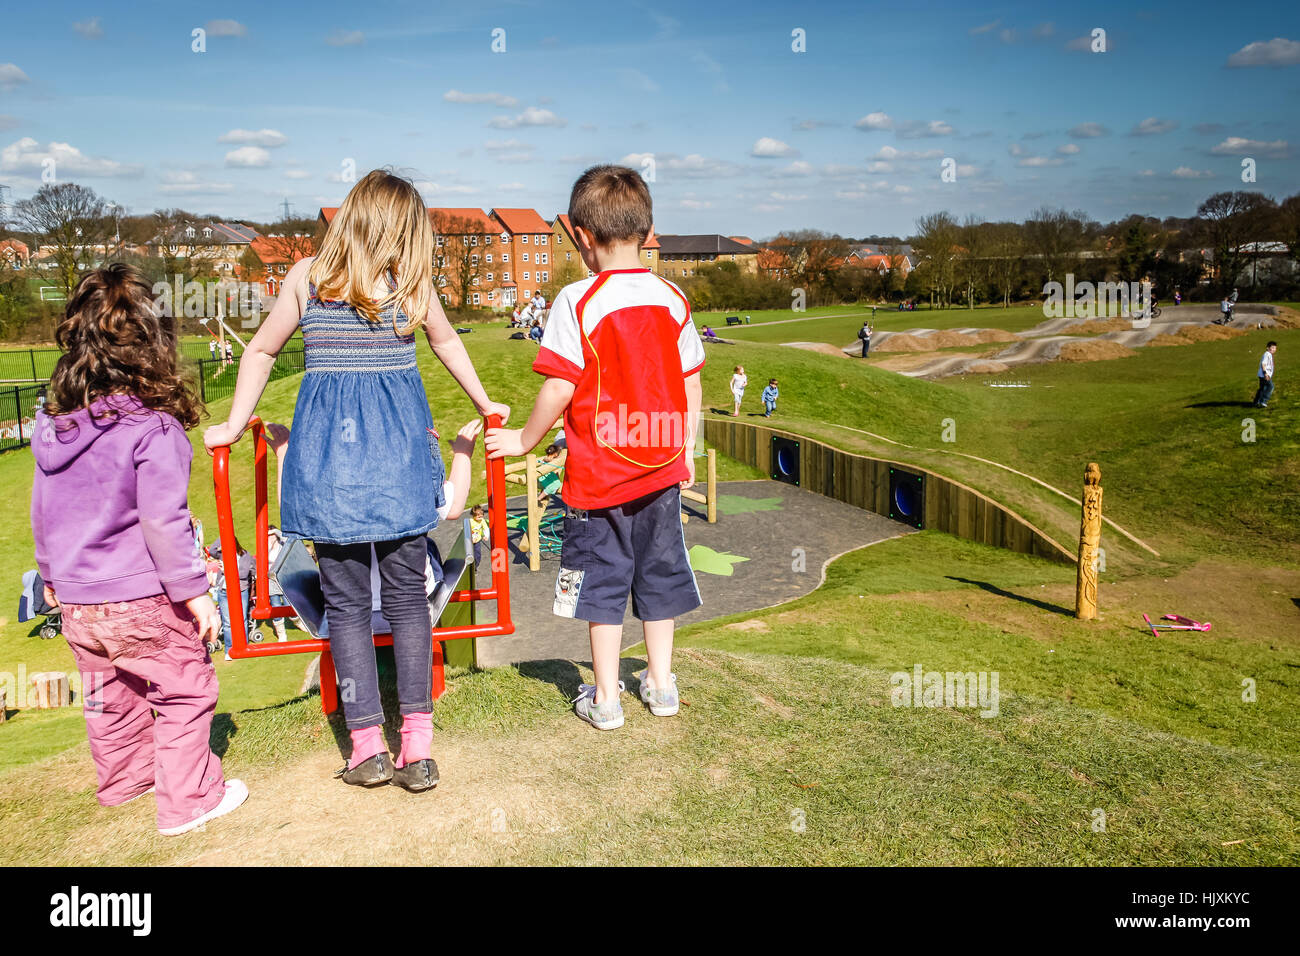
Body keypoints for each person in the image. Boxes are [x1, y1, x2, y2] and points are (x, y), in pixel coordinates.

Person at [203, 169, 507, 793]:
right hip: (396, 464)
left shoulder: (307, 277)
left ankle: (366, 747)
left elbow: (259, 351)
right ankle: (416, 746)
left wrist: (235, 423)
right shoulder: (411, 287)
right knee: (406, 602)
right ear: (400, 230)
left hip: (330, 469)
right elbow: (448, 346)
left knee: (344, 605)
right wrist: (483, 405)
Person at [30, 263, 246, 837]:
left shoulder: (54, 429)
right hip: (141, 595)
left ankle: (127, 778)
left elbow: (42, 513)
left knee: (110, 692)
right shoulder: (153, 430)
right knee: (186, 686)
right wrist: (195, 593)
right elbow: (163, 520)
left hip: (78, 602)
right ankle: (188, 800)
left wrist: (51, 576)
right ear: (155, 347)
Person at [485, 164, 703, 731]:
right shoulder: (673, 296)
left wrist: (524, 440)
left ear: (582, 237)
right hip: (660, 468)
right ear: (646, 227)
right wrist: (686, 449)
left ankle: (606, 698)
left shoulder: (576, 301)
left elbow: (559, 385)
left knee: (602, 582)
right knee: (659, 573)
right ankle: (660, 685)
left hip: (598, 479)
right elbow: (692, 382)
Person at [1253, 341, 1278, 408]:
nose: (1274, 349)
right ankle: (1263, 401)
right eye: (1272, 348)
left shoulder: (1268, 354)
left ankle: (1256, 401)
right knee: (1270, 386)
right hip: (1264, 375)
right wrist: (1265, 373)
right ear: (1267, 348)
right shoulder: (1267, 354)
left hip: (1262, 375)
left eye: (1275, 348)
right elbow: (1263, 364)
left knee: (1262, 388)